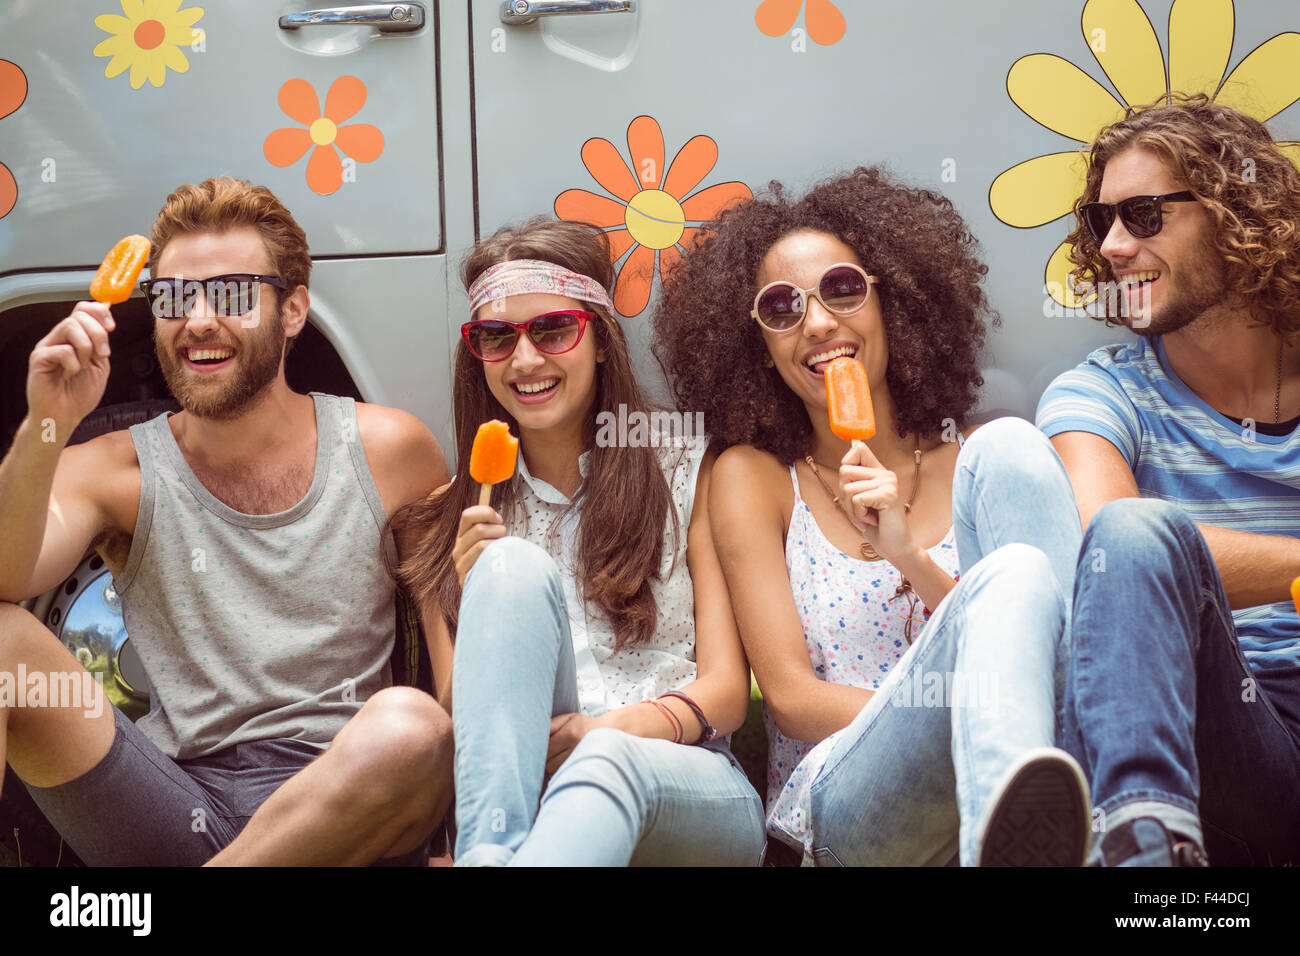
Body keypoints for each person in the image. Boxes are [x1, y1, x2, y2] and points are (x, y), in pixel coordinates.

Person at [0, 177, 453, 865]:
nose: (200, 320)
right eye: (176, 298)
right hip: (175, 804)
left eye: (234, 294)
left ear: (293, 310)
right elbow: (8, 576)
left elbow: (454, 677)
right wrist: (45, 424)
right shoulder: (117, 469)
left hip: (347, 802)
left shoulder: (391, 451)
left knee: (415, 728)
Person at [652, 166, 1091, 866]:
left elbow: (1035, 646)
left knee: (1013, 457)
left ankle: (1017, 828)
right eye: (782, 307)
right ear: (759, 347)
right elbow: (793, 700)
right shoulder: (755, 478)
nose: (820, 322)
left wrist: (909, 557)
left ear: (895, 303)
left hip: (1010, 764)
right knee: (1006, 685)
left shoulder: (979, 458)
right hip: (852, 801)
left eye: (843, 288)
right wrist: (972, 722)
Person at [388, 217, 765, 866]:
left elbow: (727, 693)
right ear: (476, 356)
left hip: (686, 784)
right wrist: (472, 596)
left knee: (609, 760)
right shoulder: (442, 520)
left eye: (554, 329)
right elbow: (466, 724)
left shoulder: (688, 472)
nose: (526, 360)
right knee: (506, 567)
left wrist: (602, 734)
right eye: (497, 338)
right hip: (531, 802)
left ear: (599, 340)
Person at [1036, 94, 1300, 866]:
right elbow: (1110, 545)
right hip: (1230, 738)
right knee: (1130, 530)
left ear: (1234, 212)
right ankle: (1148, 848)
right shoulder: (1099, 396)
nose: (1114, 245)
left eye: (1145, 214)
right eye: (1101, 221)